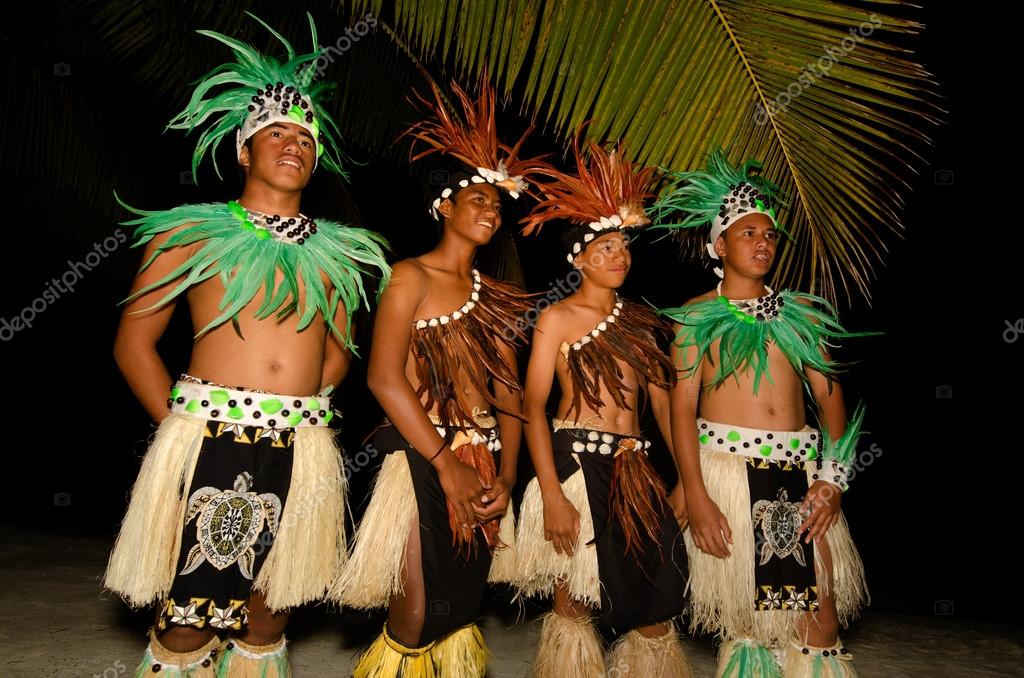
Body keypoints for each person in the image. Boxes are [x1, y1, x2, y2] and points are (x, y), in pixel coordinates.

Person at [103, 14, 390, 676]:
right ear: (243, 149)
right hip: (205, 434)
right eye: (276, 131)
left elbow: (341, 350)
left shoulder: (340, 252)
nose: (294, 143)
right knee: (189, 615)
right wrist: (179, 436)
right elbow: (134, 345)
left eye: (306, 137)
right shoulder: (189, 234)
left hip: (302, 443)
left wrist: (303, 402)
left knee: (268, 610)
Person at [333, 78, 548, 677]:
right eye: (476, 198)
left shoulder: (497, 297)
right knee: (417, 610)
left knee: (458, 609)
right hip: (419, 453)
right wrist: (444, 462)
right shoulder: (409, 277)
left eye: (496, 203)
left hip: (481, 458)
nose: (489, 210)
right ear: (444, 206)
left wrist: (505, 475)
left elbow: (509, 393)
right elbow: (382, 379)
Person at [657, 150, 871, 677]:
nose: (761, 242)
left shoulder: (800, 315)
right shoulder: (696, 316)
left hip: (800, 479)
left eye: (769, 235)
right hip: (728, 475)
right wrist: (698, 494)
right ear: (719, 244)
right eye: (748, 233)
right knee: (749, 626)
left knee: (820, 622)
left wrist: (833, 481)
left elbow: (831, 399)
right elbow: (682, 410)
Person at [512, 132, 691, 677]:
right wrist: (550, 493)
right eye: (605, 248)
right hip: (574, 461)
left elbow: (665, 407)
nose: (619, 257)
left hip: (634, 466)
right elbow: (532, 406)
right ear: (580, 259)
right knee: (575, 600)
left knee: (657, 598)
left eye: (624, 246)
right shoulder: (557, 318)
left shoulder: (639, 322)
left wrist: (685, 478)